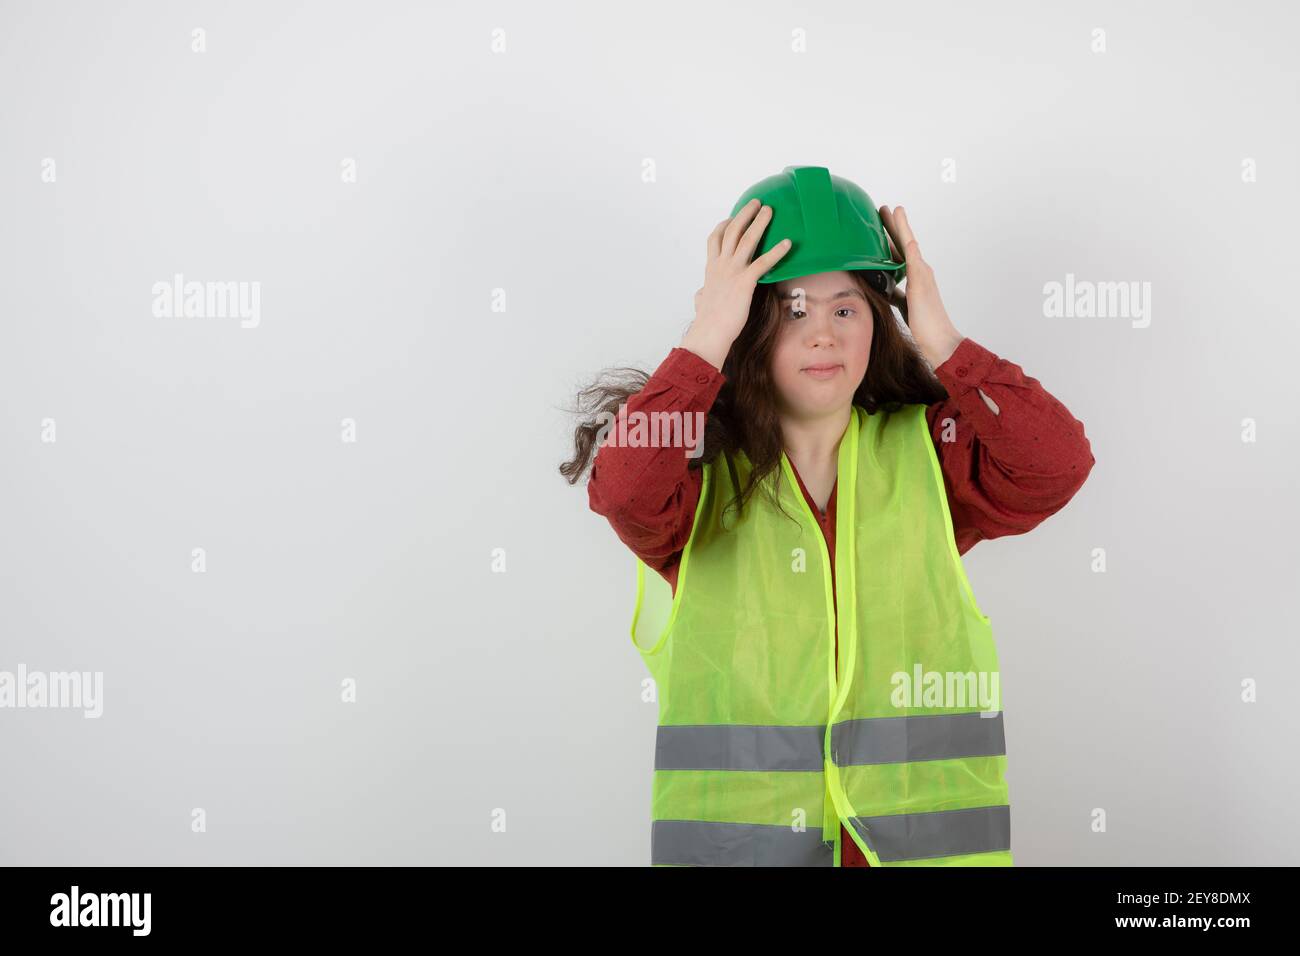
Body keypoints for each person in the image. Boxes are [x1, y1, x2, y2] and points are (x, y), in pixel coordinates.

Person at [560, 167, 1095, 866]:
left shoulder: (929, 456)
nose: (823, 336)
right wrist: (705, 337)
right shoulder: (697, 476)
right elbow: (624, 490)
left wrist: (944, 341)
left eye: (846, 309)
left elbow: (1056, 464)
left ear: (878, 321)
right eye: (791, 310)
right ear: (749, 327)